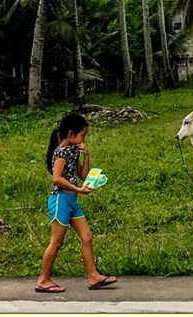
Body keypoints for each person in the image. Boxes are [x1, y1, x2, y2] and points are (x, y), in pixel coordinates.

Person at [36, 112, 118, 293]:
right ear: (71, 133)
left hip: (72, 200)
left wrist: (86, 157)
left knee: (87, 236)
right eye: (82, 135)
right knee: (57, 241)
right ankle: (43, 279)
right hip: (61, 200)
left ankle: (93, 276)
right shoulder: (60, 153)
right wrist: (79, 189)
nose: (83, 139)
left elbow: (82, 175)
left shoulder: (73, 150)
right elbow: (56, 179)